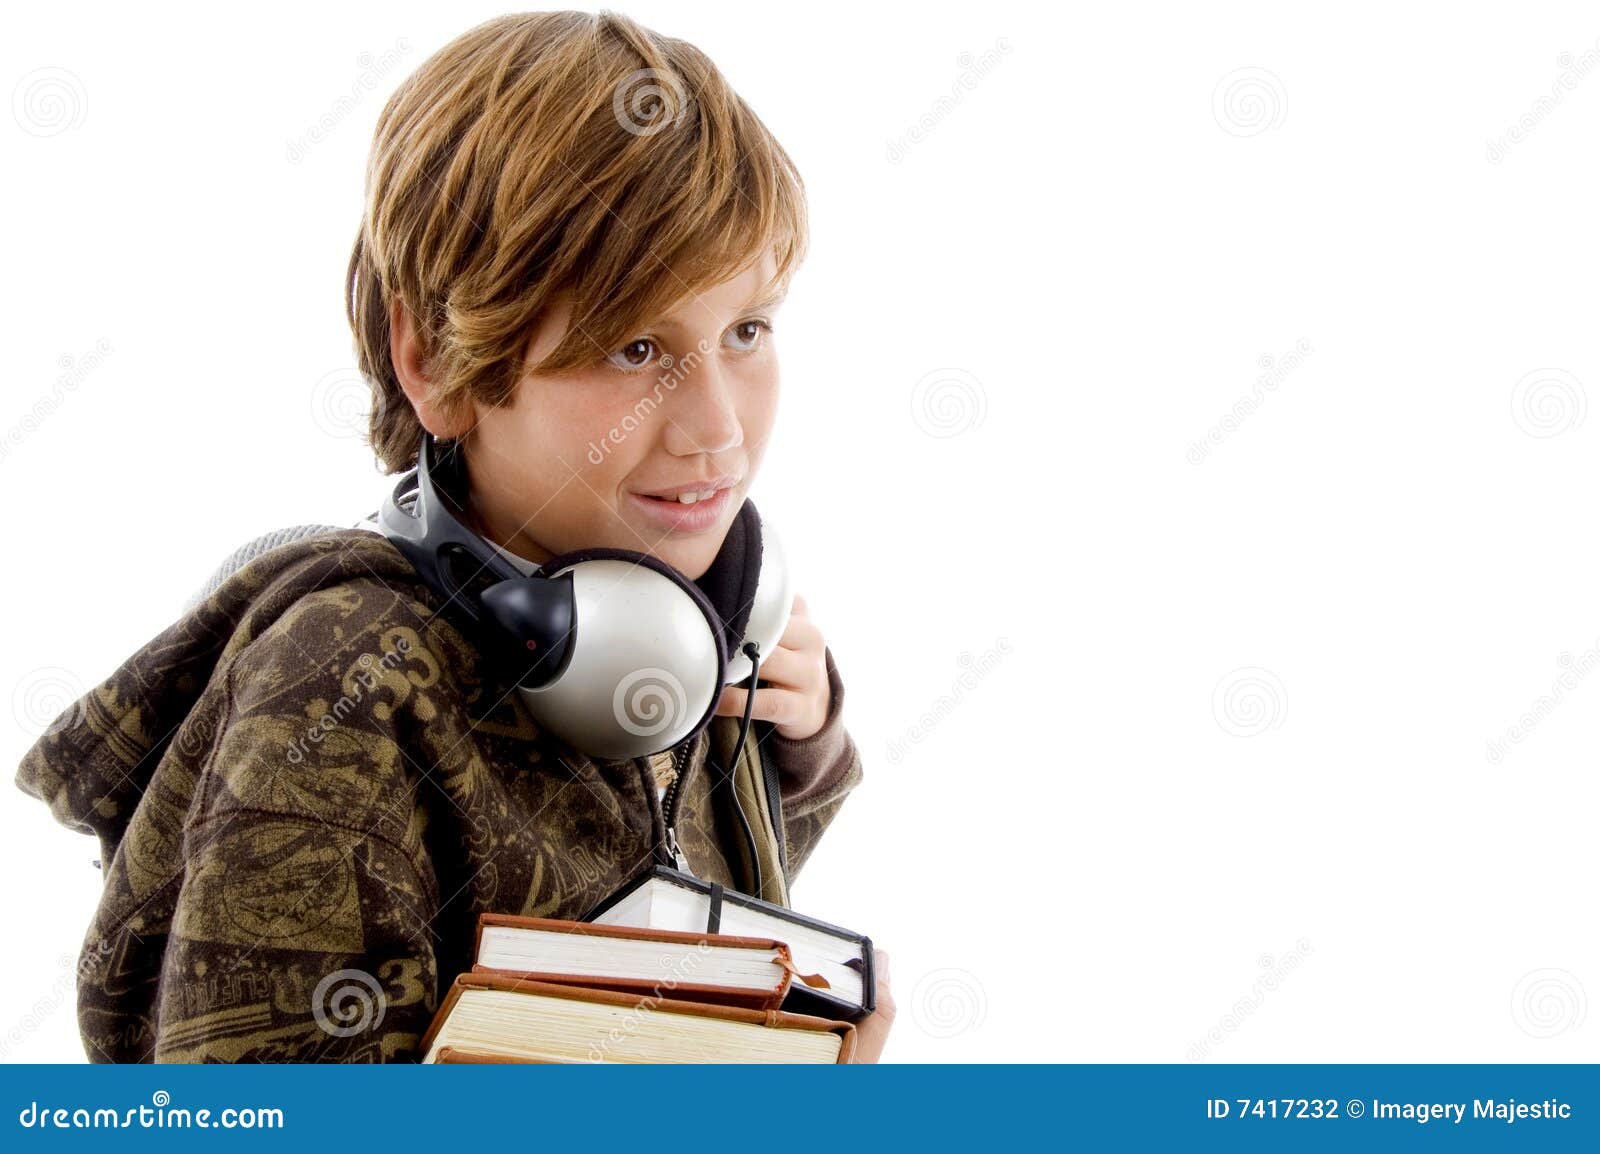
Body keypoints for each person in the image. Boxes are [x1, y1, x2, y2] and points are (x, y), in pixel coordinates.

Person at [16, 9, 893, 1063]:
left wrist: (792, 764)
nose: (715, 429)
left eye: (746, 330)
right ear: (432, 358)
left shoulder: (660, 620)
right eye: (631, 347)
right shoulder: (343, 689)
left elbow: (623, 884)